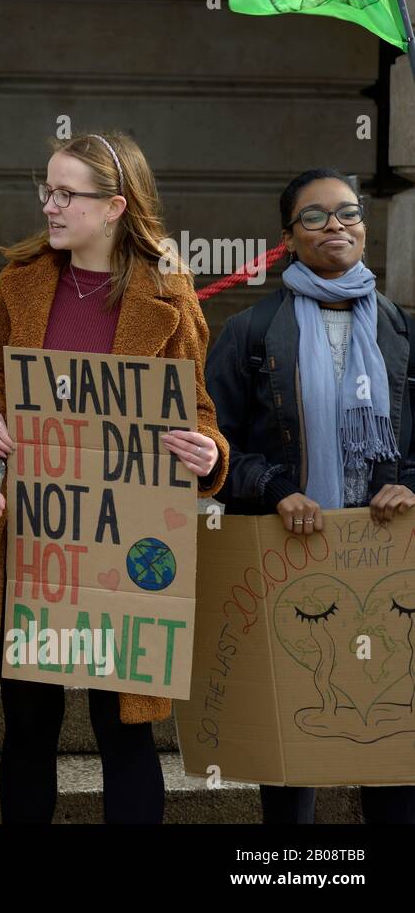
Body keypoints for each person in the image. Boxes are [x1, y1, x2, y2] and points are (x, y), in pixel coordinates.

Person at [0, 131, 228, 823]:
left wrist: (207, 451)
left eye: (65, 194)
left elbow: (197, 408)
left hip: (128, 547)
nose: (49, 204)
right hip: (36, 535)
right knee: (29, 727)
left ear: (114, 206)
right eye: (45, 188)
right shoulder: (23, 278)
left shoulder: (169, 292)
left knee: (124, 731)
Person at [205, 167, 415, 824]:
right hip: (291, 567)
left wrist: (408, 482)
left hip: (389, 571)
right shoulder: (250, 332)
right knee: (291, 758)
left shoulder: (402, 331)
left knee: (393, 756)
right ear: (288, 238)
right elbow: (211, 447)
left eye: (348, 213)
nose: (337, 226)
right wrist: (275, 489)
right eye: (317, 216)